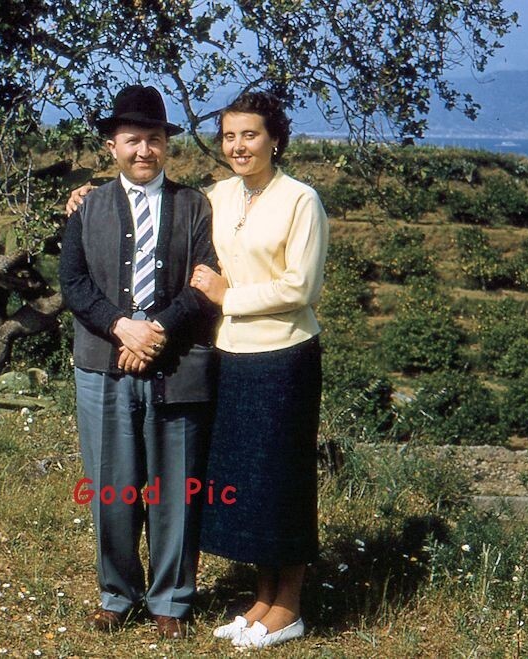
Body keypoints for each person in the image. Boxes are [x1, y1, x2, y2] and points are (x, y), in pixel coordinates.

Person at [59, 85, 218, 639]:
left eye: (153, 139)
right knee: (112, 486)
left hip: (178, 365)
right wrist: (120, 325)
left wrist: (154, 330)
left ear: (166, 145)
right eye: (132, 140)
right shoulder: (85, 207)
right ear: (112, 146)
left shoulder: (196, 206)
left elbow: (205, 283)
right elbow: (74, 285)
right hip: (102, 363)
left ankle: (171, 600)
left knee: (174, 488)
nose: (143, 150)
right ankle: (116, 593)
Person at [190, 91, 328, 649]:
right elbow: (163, 209)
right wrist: (89, 193)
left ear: (275, 138)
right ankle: (262, 602)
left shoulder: (301, 199)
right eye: (229, 136)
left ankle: (289, 607)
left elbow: (302, 286)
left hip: (285, 355)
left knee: (283, 480)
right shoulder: (217, 194)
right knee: (251, 483)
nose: (238, 145)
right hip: (231, 355)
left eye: (249, 134)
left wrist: (230, 297)